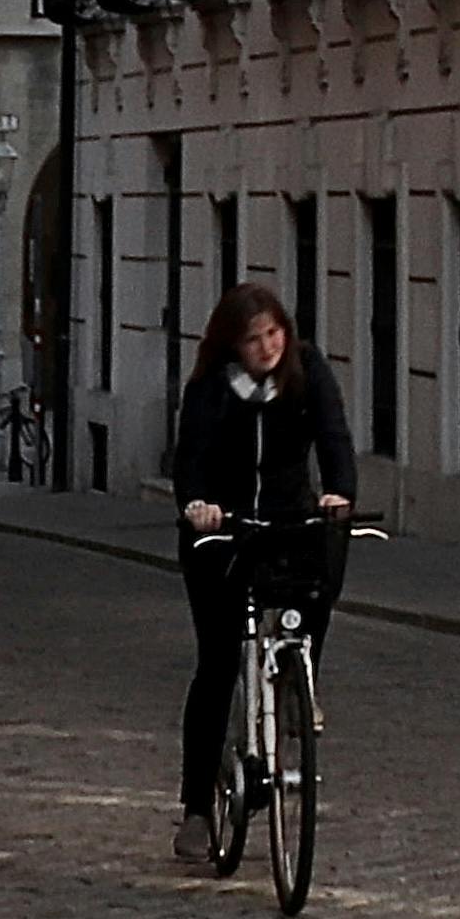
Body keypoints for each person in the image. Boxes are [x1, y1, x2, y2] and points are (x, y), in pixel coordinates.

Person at [165, 280, 354, 868]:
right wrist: (197, 504)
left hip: (288, 519)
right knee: (218, 665)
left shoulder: (307, 370)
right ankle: (198, 808)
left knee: (322, 572)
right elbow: (190, 460)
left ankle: (301, 680)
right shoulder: (209, 388)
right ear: (233, 345)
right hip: (223, 531)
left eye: (274, 333)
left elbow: (334, 438)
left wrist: (339, 493)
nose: (268, 347)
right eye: (254, 339)